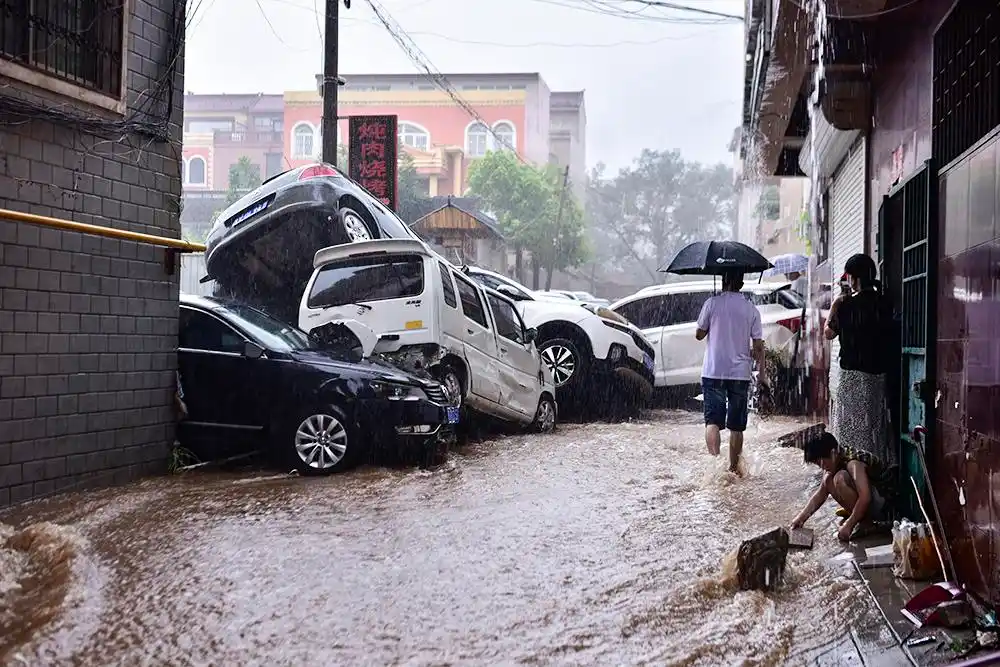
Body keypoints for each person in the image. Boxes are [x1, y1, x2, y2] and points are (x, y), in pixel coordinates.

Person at [825, 254, 896, 477]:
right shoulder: (884, 302)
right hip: (877, 378)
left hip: (851, 378)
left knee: (849, 434)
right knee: (873, 430)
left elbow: (828, 333)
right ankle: (876, 480)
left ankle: (853, 485)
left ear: (853, 279)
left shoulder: (845, 305)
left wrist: (837, 302)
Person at [695, 270, 767, 474]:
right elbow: (759, 346)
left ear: (723, 280)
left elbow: (699, 335)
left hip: (713, 371)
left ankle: (715, 466)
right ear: (741, 283)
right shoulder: (751, 309)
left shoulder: (711, 303)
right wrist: (762, 374)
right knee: (737, 425)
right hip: (739, 373)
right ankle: (733, 469)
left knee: (712, 421)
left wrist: (713, 323)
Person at [791, 432, 893, 541]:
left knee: (839, 478)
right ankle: (859, 519)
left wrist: (849, 525)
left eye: (822, 462)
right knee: (828, 479)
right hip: (874, 501)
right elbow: (820, 494)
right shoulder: (838, 458)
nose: (822, 467)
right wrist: (800, 518)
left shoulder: (853, 463)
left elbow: (865, 497)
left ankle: (867, 524)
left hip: (885, 504)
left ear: (833, 453)